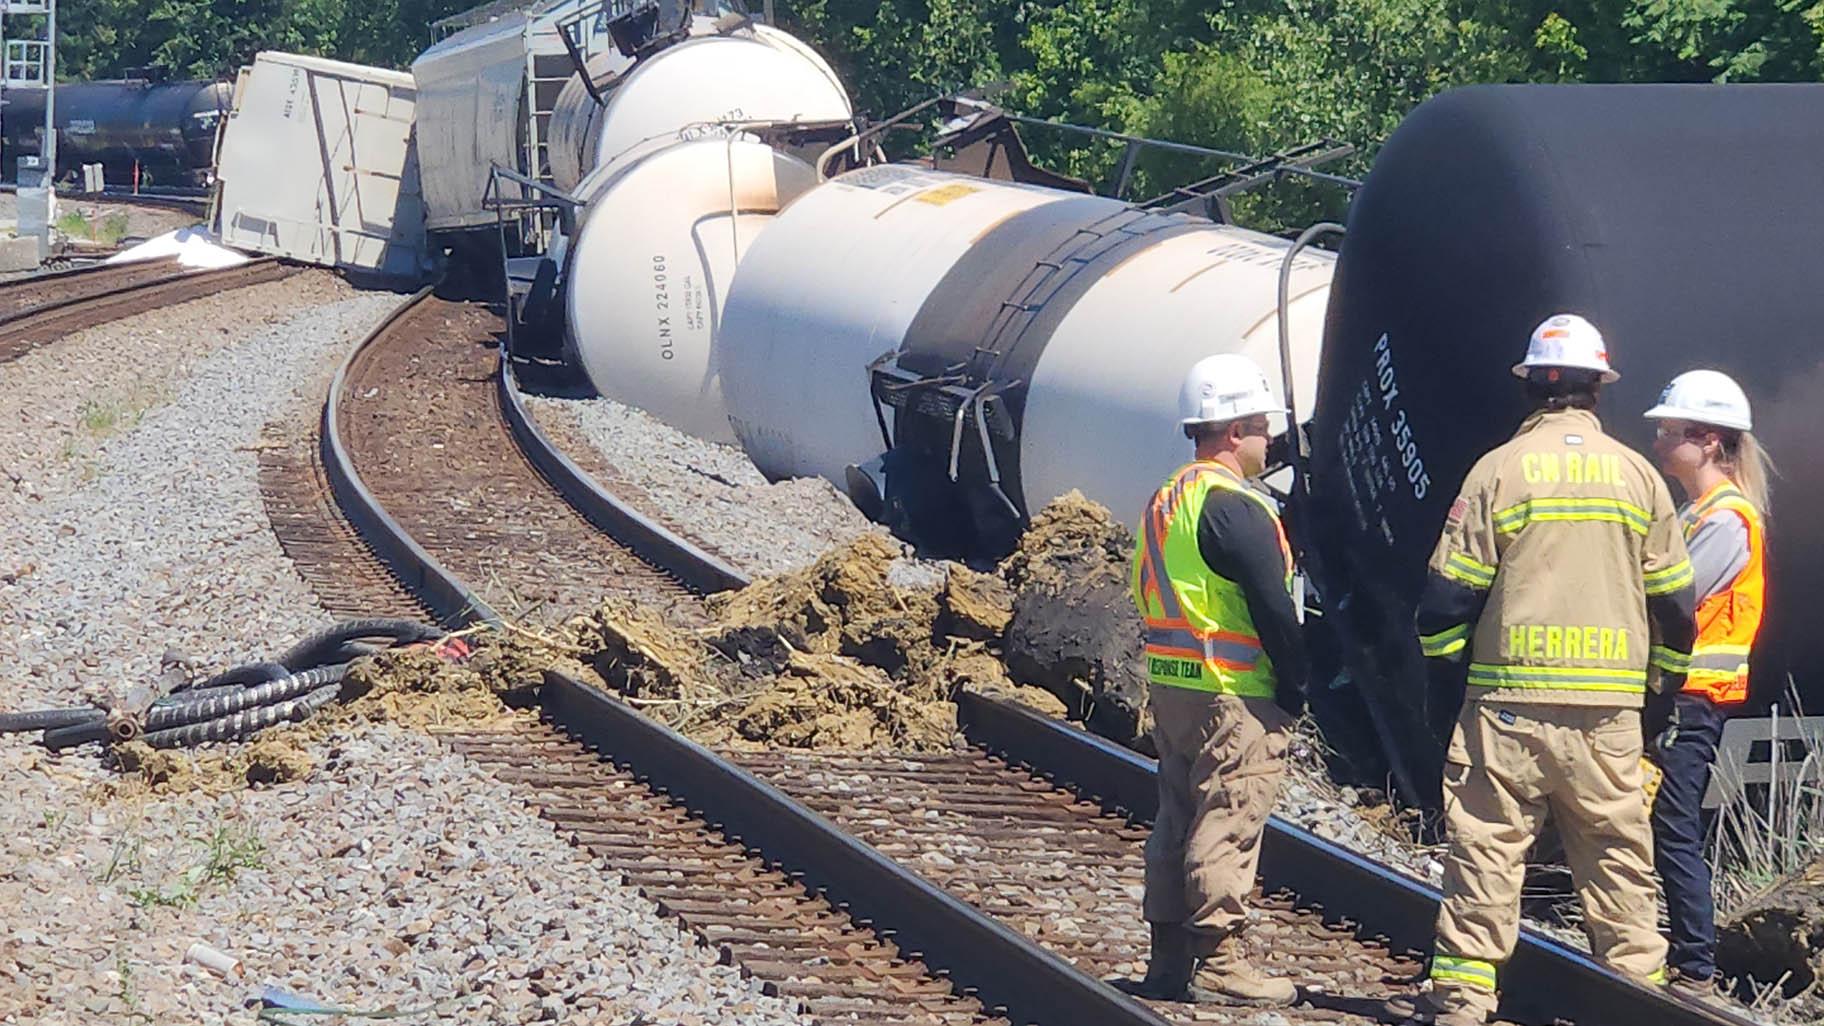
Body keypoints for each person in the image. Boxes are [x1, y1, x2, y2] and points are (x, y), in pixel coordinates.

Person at [1389, 313, 1697, 1025]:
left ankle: (1463, 1001)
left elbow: (1443, 603)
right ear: (1598, 390)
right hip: (1609, 714)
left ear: (1529, 387)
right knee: (1619, 861)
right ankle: (1636, 1000)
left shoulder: (1498, 471)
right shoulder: (1639, 478)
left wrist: (1445, 694)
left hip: (1506, 706)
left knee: (1486, 855)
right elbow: (1678, 606)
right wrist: (1659, 697)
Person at [1125, 353, 1309, 1006]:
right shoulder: (1235, 507)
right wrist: (1297, 683)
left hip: (1176, 687)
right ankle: (1220, 959)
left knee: (1178, 814)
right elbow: (1273, 607)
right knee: (1228, 816)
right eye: (1262, 428)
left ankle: (1169, 958)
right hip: (1234, 691)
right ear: (1233, 430)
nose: (1267, 442)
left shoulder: (1169, 497)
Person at [1642, 369, 1772, 997]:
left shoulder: (1725, 519)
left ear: (1710, 441)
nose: (1660, 440)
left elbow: (1675, 602)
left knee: (1674, 822)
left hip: (1694, 701)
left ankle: (1694, 965)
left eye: (1670, 431)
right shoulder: (1700, 512)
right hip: (1681, 695)